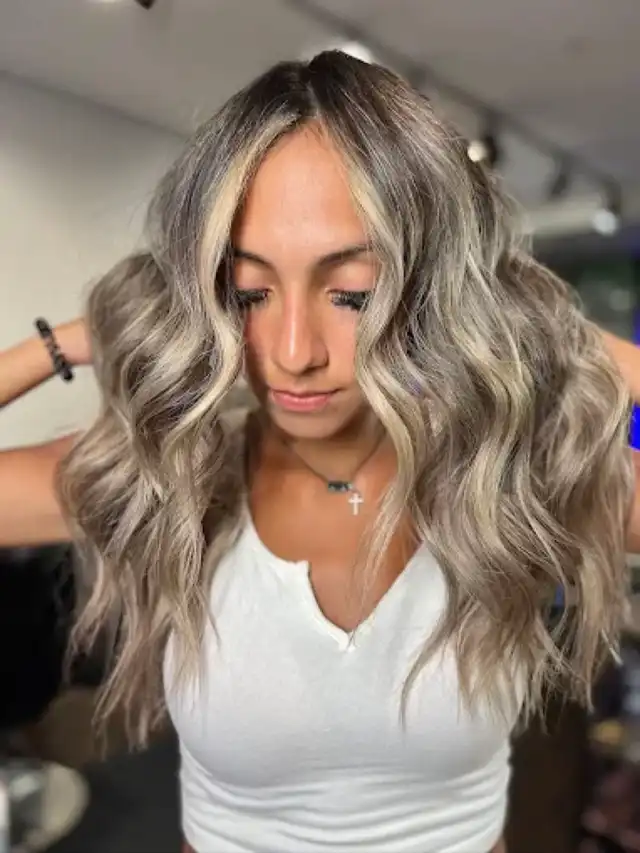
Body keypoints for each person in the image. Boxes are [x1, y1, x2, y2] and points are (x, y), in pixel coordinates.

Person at [1, 51, 640, 853]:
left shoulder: (511, 478)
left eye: (353, 294)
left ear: (437, 295)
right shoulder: (173, 474)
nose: (294, 351)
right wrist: (66, 342)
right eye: (248, 293)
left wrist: (558, 332)